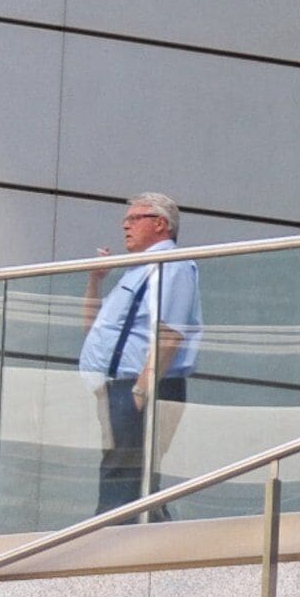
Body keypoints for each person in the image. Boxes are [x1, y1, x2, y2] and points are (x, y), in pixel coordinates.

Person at [79, 192, 201, 515]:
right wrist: (95, 281)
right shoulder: (137, 271)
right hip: (119, 388)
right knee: (133, 475)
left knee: (123, 472)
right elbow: (92, 331)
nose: (125, 225)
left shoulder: (170, 264)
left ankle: (110, 546)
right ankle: (148, 545)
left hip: (143, 385)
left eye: (135, 218)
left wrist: (139, 390)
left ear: (160, 224)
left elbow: (170, 334)